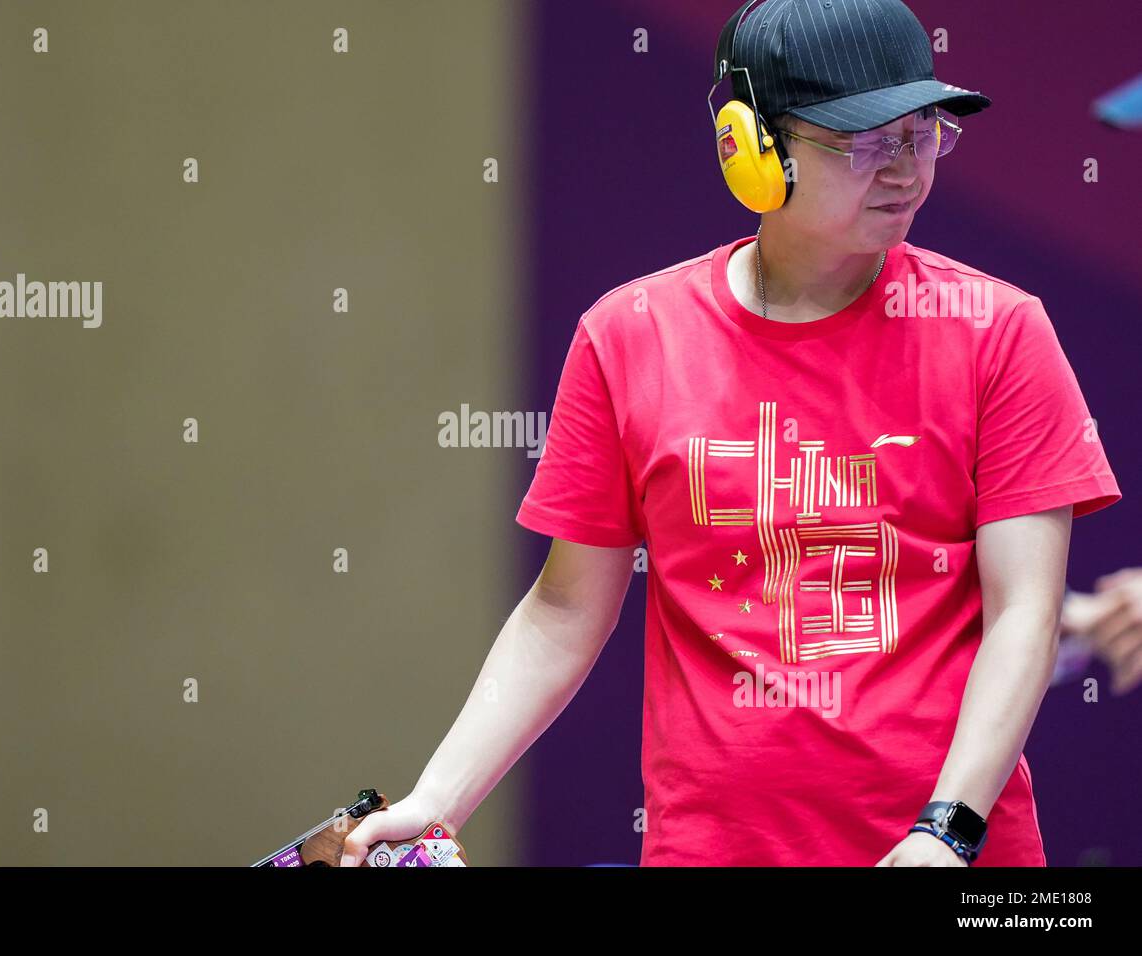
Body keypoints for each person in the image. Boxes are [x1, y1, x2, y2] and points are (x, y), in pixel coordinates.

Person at [339, 0, 1122, 867]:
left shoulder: (1000, 332)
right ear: (751, 150)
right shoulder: (628, 335)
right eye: (864, 140)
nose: (905, 168)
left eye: (924, 133)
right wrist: (437, 802)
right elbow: (563, 612)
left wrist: (948, 829)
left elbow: (1027, 614)